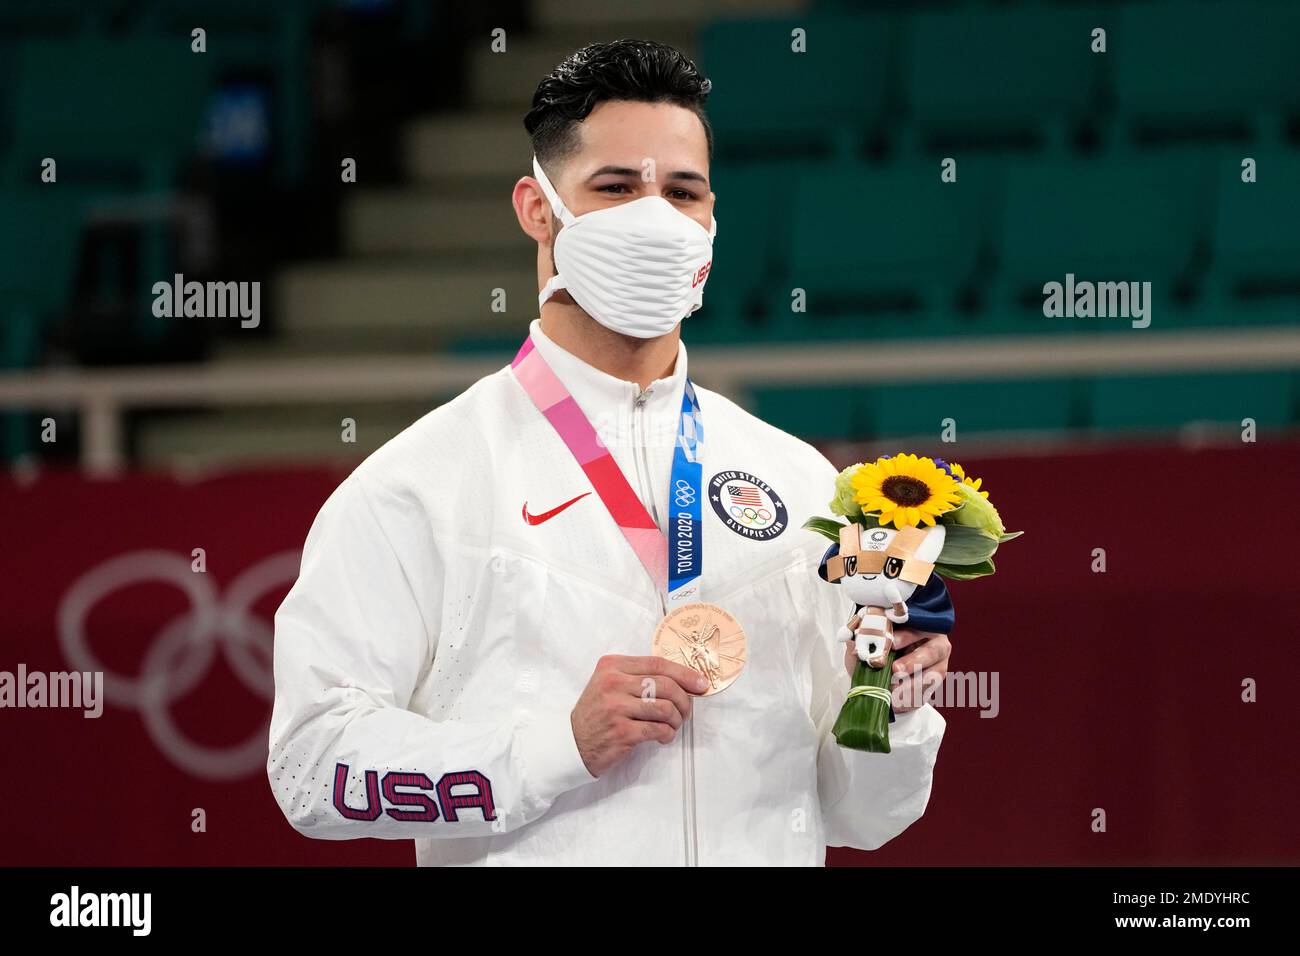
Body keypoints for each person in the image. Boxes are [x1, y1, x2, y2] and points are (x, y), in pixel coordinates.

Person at [267, 38, 953, 866]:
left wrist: (893, 700)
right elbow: (310, 770)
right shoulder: (419, 485)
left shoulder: (800, 481)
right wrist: (556, 748)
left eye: (682, 192)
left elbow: (860, 816)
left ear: (711, 220)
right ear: (536, 207)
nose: (654, 218)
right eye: (618, 187)